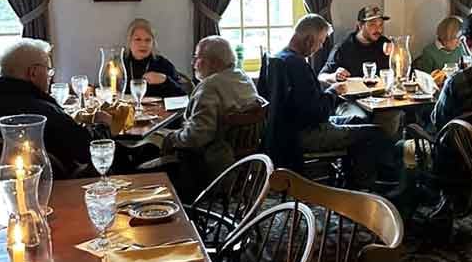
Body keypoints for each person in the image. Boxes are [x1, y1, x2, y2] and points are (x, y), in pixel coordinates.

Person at [276, 15, 394, 189]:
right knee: (374, 133)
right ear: (309, 40)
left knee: (359, 121)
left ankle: (350, 179)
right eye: (321, 41)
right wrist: (333, 92)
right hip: (307, 133)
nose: (321, 46)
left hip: (290, 129)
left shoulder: (281, 57)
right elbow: (317, 112)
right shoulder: (297, 65)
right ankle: (362, 187)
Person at [162, 36, 260, 196]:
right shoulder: (242, 77)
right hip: (240, 162)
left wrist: (172, 138)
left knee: (149, 150)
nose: (193, 64)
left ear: (214, 63)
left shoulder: (209, 87)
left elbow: (197, 136)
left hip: (208, 165)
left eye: (197, 58)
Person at [0, 39, 111, 177]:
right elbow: (90, 150)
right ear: (33, 73)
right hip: (59, 188)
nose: (50, 77)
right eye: (48, 70)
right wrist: (102, 124)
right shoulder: (42, 112)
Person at [318, 5, 391, 83]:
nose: (378, 29)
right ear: (360, 25)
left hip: (382, 93)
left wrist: (396, 54)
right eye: (372, 24)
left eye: (380, 25)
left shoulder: (385, 43)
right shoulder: (343, 48)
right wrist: (334, 76)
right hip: (354, 93)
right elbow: (321, 76)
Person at [123, 18, 185, 98]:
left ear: (153, 43)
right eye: (138, 39)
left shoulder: (163, 64)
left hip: (158, 110)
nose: (143, 44)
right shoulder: (120, 63)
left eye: (148, 40)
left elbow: (182, 99)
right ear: (129, 41)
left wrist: (165, 80)